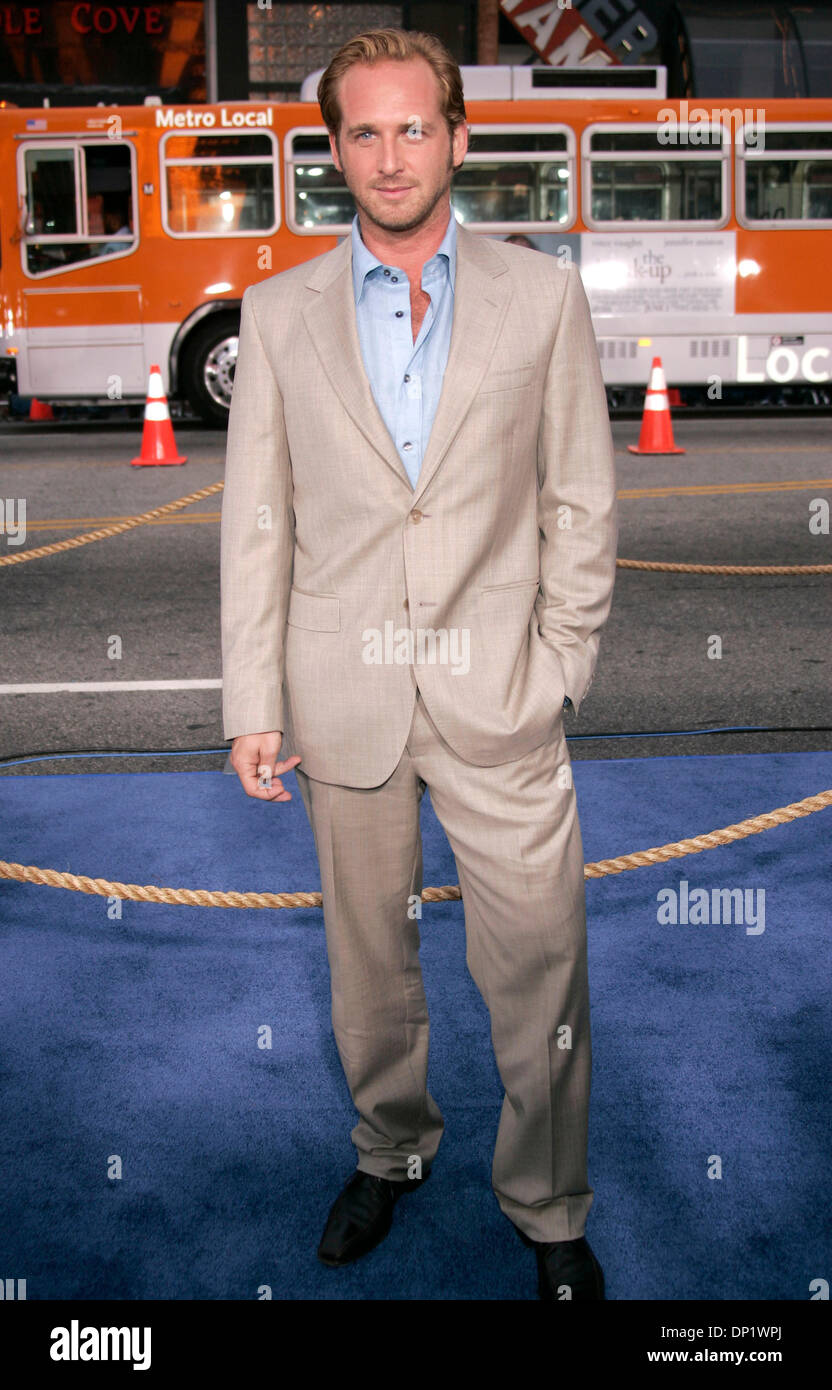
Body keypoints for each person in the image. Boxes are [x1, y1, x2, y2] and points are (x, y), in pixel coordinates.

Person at [220, 27, 618, 1302]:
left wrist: (559, 667)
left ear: (457, 136)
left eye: (413, 128)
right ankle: (390, 1149)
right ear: (333, 149)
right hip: (341, 697)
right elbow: (258, 526)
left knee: (540, 958)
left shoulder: (540, 295)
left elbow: (580, 500)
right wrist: (252, 700)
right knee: (365, 962)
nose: (390, 157)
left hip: (501, 690)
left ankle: (548, 1203)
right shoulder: (278, 313)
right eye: (364, 132)